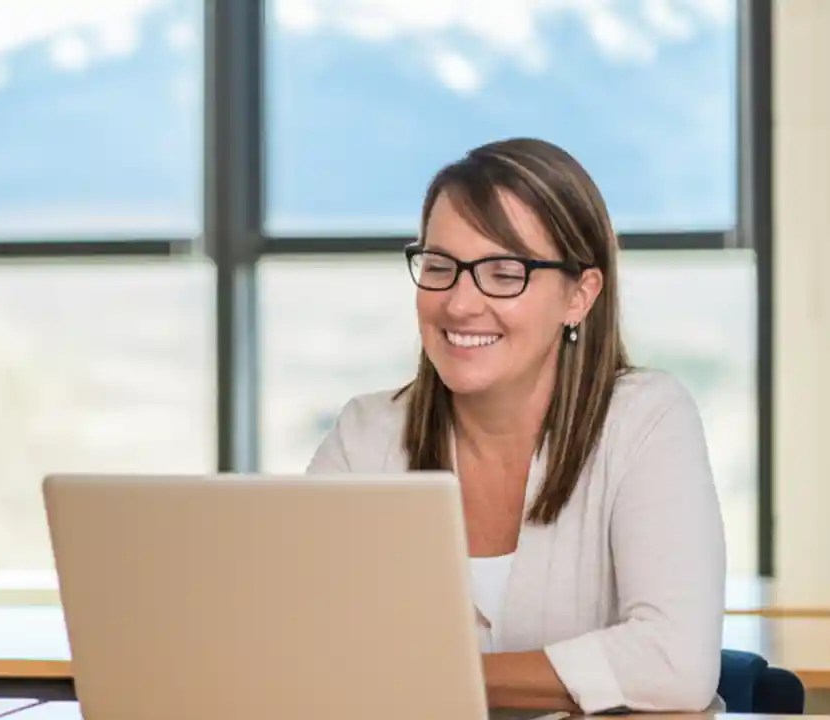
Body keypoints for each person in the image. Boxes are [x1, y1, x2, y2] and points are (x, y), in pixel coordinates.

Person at [307, 138, 726, 714]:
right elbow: (300, 646)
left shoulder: (646, 419)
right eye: (439, 267)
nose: (459, 304)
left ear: (580, 296)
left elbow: (675, 664)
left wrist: (428, 674)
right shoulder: (365, 436)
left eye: (504, 274)